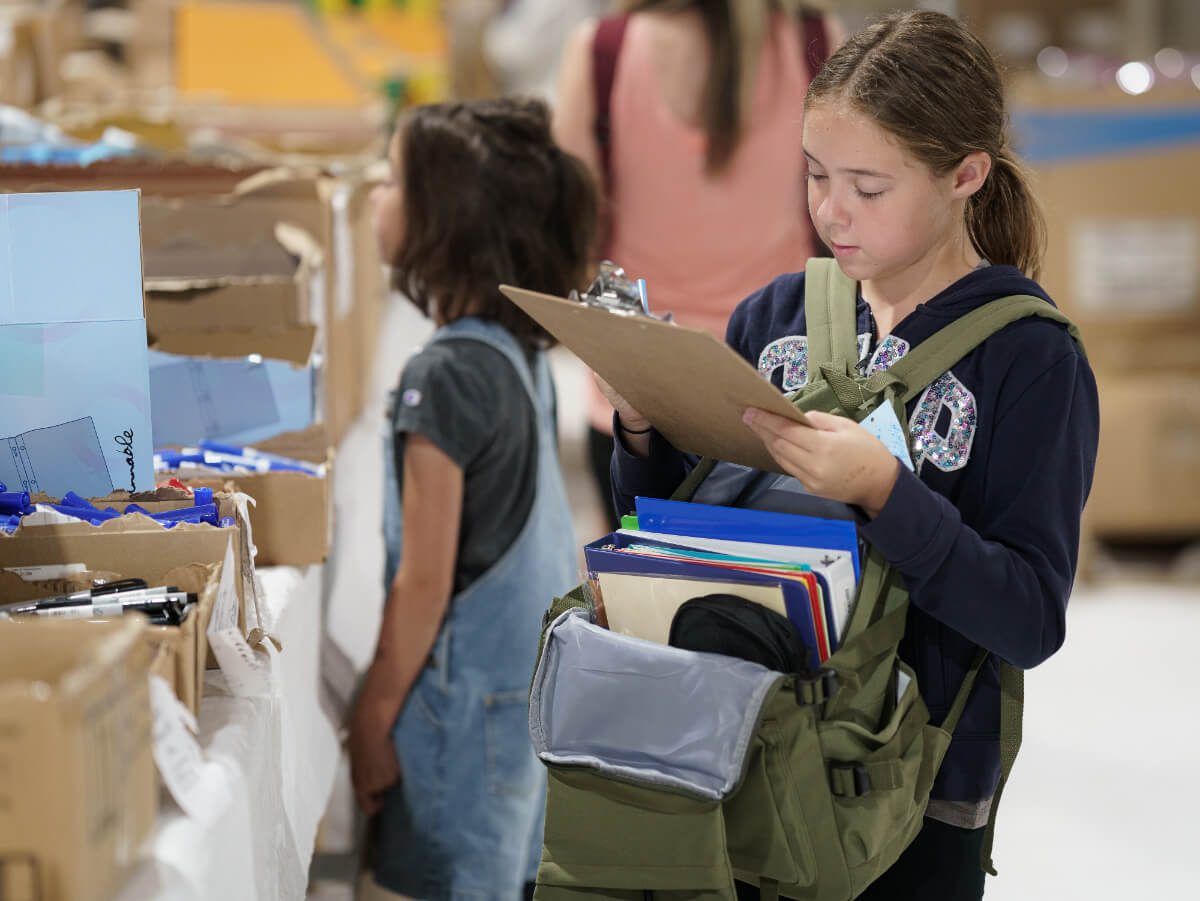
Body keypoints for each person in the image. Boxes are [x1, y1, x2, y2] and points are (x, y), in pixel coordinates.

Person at [599, 10, 1099, 900]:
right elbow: (684, 530)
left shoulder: (1030, 357)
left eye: (869, 187)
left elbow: (1030, 616)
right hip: (745, 745)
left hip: (914, 790)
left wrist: (887, 494)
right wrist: (643, 427)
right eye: (815, 174)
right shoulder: (774, 317)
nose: (831, 210)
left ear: (966, 175)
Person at [348, 97, 596, 901]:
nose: (374, 196)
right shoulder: (518, 356)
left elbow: (422, 584)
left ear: (440, 219)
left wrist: (373, 716)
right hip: (516, 726)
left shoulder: (445, 376)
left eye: (389, 181)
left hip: (452, 740)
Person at [552, 0, 842, 532]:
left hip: (636, 395)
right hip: (783, 385)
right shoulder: (816, 41)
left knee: (636, 595)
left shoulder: (603, 52)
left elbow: (569, 238)